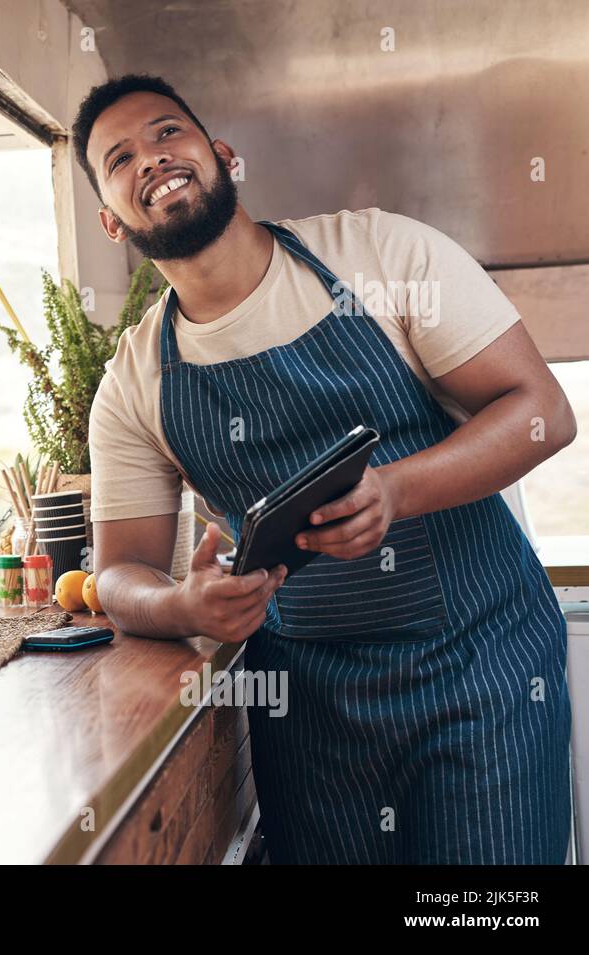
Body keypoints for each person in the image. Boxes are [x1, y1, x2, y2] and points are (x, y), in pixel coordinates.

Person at [74, 74, 576, 863]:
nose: (153, 158)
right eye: (122, 157)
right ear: (111, 220)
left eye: (169, 132)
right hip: (309, 712)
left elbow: (541, 411)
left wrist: (396, 490)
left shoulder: (379, 253)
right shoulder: (135, 383)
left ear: (223, 156)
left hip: (483, 674)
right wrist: (183, 605)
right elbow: (116, 574)